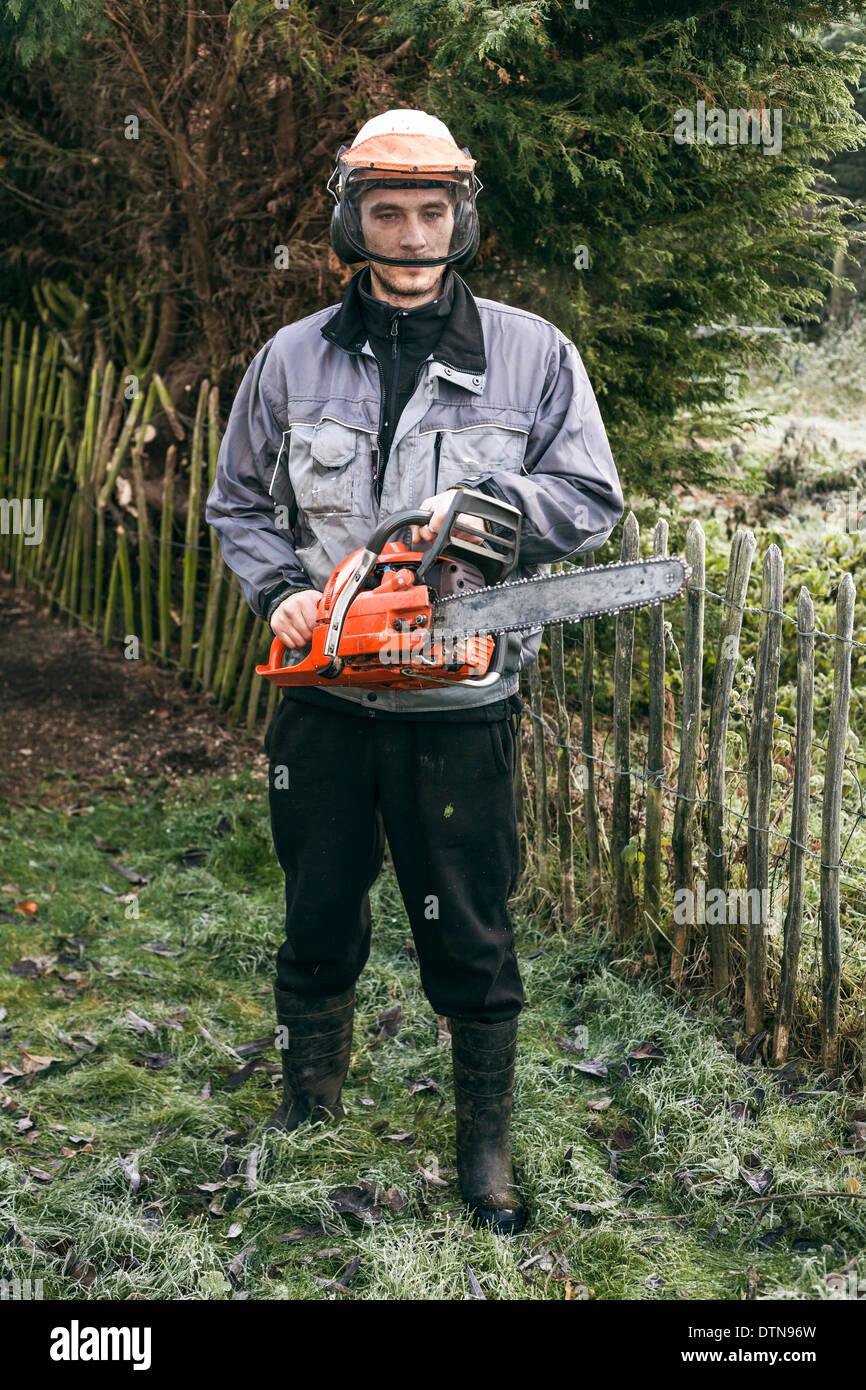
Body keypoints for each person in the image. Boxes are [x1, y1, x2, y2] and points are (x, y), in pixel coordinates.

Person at [205, 109, 624, 1235]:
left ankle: (482, 1149)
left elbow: (589, 500)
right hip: (326, 703)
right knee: (315, 909)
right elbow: (239, 503)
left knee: (471, 931)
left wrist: (486, 509)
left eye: (428, 211)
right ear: (352, 219)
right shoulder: (291, 359)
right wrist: (280, 592)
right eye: (385, 211)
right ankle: (309, 1102)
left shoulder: (534, 355)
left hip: (461, 703)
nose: (407, 234)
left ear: (459, 217)